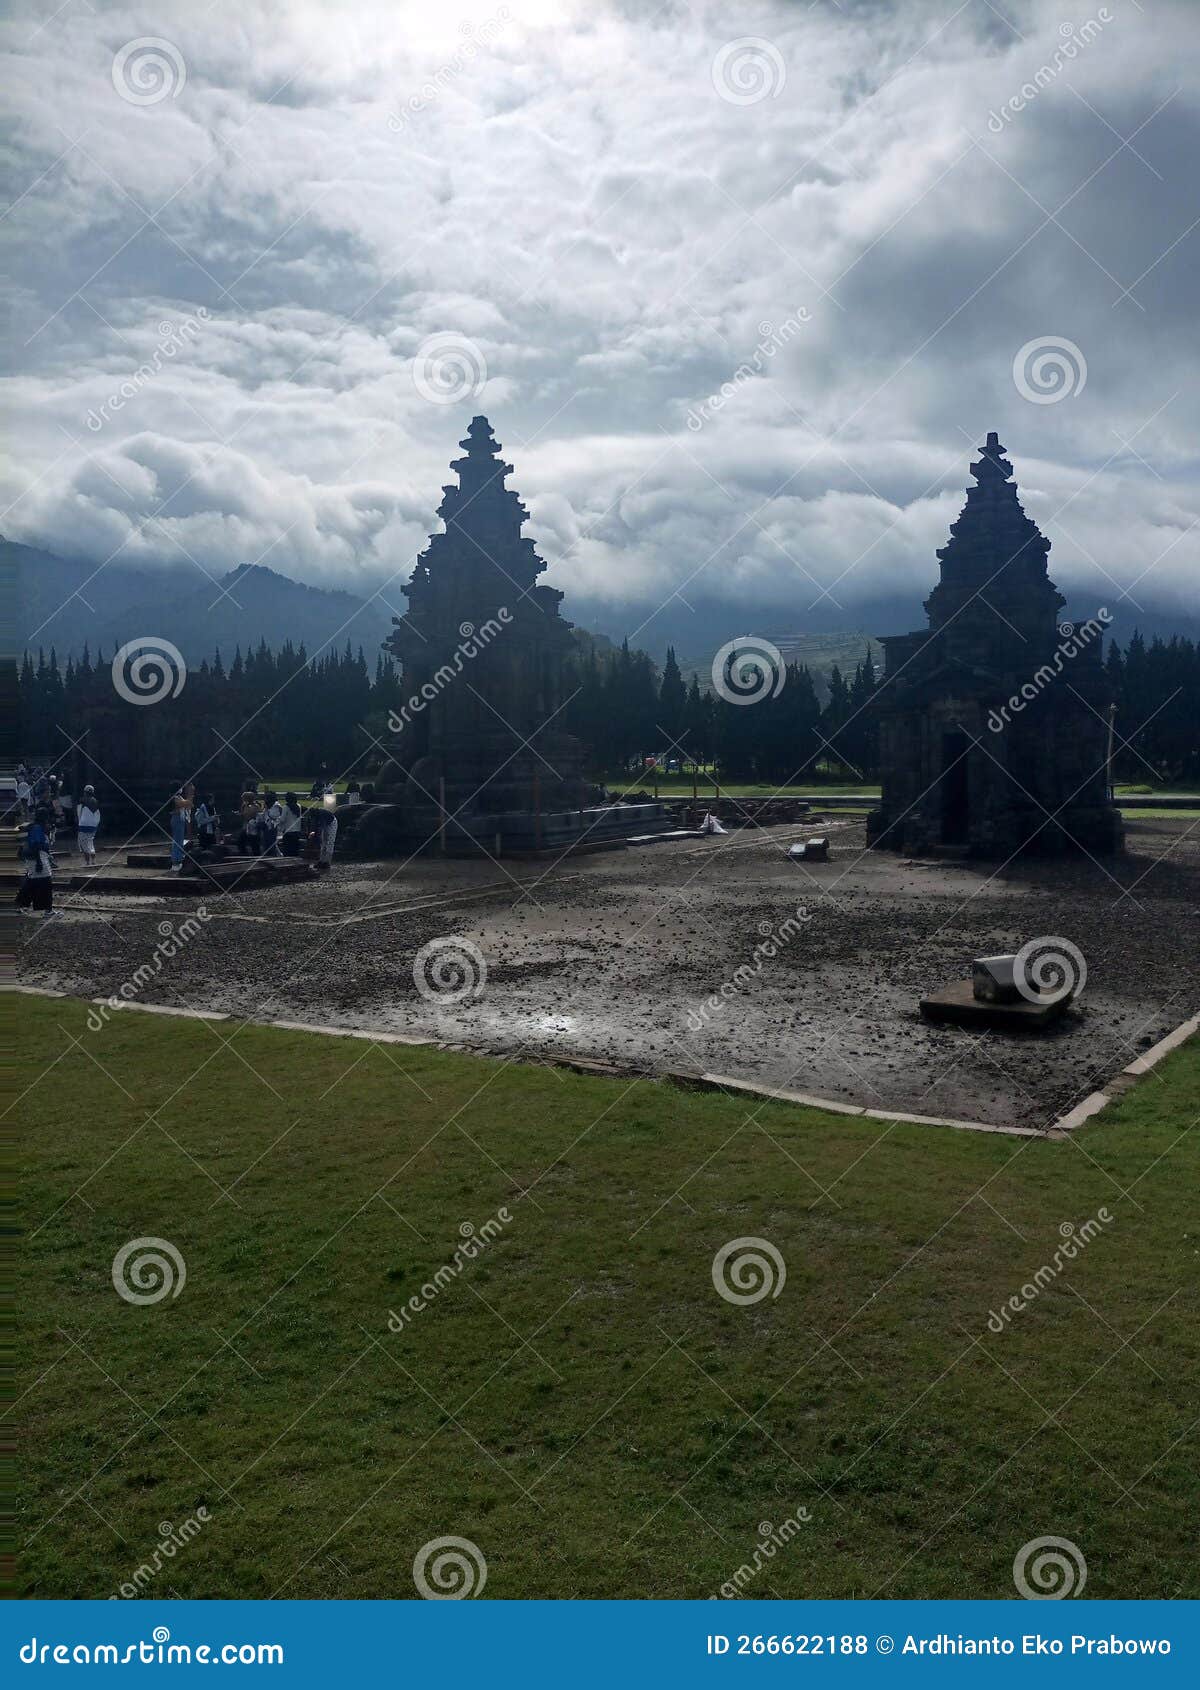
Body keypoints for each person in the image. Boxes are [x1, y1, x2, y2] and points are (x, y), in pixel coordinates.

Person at [17, 820, 54, 915]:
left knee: (32, 882)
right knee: (45, 882)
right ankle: (47, 910)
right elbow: (36, 846)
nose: (50, 826)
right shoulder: (37, 829)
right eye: (49, 823)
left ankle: (20, 905)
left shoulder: (34, 828)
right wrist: (39, 862)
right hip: (37, 859)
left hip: (33, 859)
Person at [76, 787, 100, 868]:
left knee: (83, 843)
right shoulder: (95, 800)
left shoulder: (82, 800)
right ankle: (93, 861)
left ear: (85, 792)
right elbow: (97, 814)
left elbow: (79, 811)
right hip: (93, 824)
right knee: (90, 841)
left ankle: (87, 862)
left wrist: (78, 821)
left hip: (84, 824)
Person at [169, 788, 191, 872]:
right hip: (176, 819)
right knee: (177, 841)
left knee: (180, 841)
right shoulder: (175, 798)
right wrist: (190, 795)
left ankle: (179, 860)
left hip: (181, 819)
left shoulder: (179, 797)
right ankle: (175, 862)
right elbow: (184, 803)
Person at [314, 805, 338, 874]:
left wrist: (319, 835)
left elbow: (323, 826)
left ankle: (327, 862)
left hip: (332, 823)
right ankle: (321, 861)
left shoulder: (321, 814)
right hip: (326, 823)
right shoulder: (316, 815)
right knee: (323, 844)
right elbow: (317, 826)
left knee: (330, 843)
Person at [239, 787, 262, 854]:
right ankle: (244, 853)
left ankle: (256, 855)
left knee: (254, 842)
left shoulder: (256, 806)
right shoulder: (244, 806)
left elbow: (257, 815)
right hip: (246, 826)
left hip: (253, 826)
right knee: (240, 841)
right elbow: (244, 813)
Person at [260, 791, 283, 856]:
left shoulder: (276, 806)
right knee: (267, 844)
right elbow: (264, 816)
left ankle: (277, 856)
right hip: (267, 827)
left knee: (271, 844)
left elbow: (273, 816)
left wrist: (267, 809)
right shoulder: (268, 806)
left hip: (274, 827)